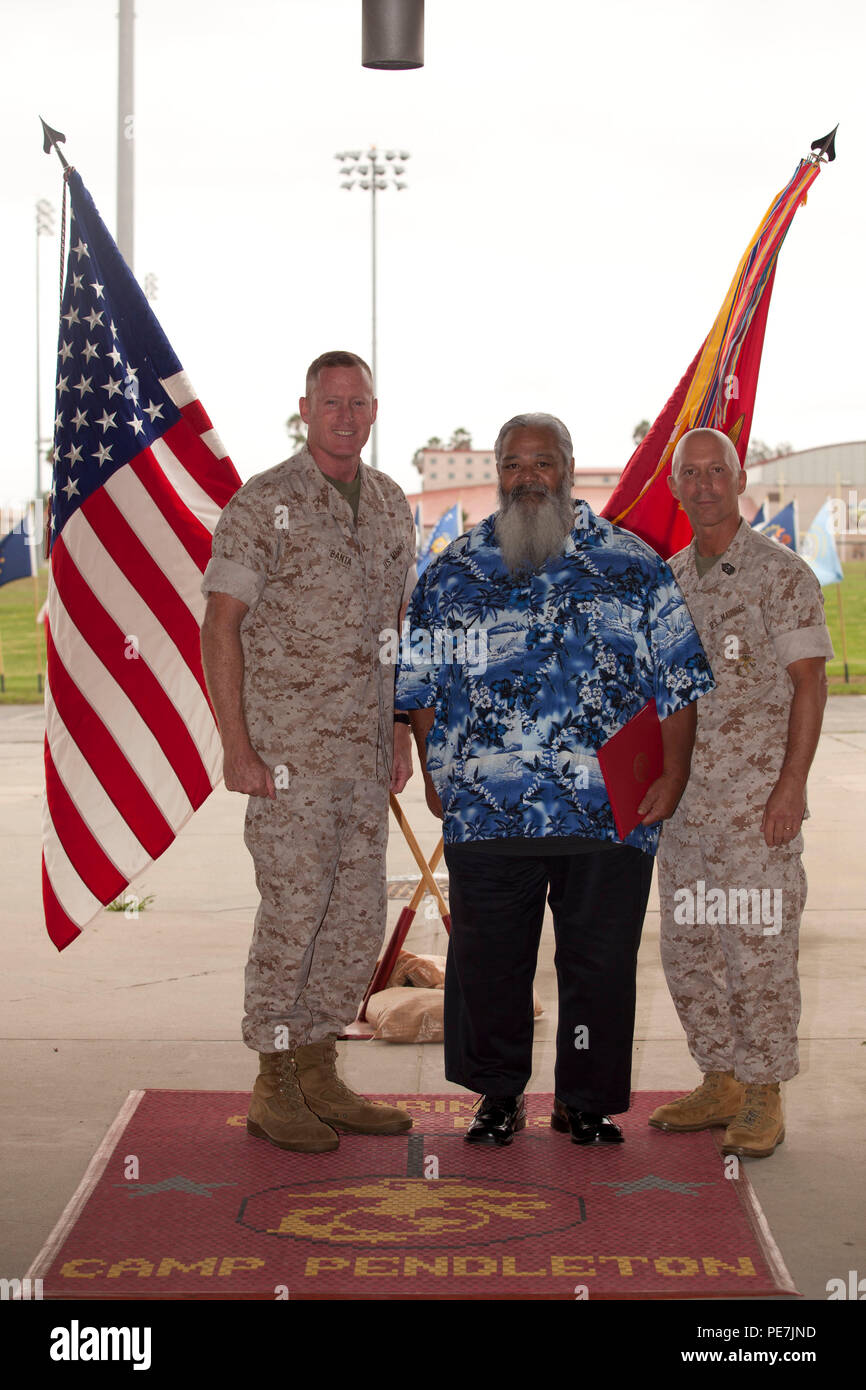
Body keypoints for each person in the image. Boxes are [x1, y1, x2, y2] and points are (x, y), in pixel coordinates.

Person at [396, 413, 715, 1146]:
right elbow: (417, 684)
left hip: (609, 810)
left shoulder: (632, 564)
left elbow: (680, 679)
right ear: (500, 474)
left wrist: (673, 773)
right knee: (489, 961)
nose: (527, 476)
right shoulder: (453, 570)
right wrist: (437, 772)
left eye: (543, 462)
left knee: (598, 962)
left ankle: (585, 1100)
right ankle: (498, 1096)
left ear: (569, 468)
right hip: (486, 807)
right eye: (513, 464)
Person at [200, 350, 416, 1152]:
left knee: (355, 919)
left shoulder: (392, 504)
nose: (347, 416)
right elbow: (219, 624)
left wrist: (396, 727)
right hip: (287, 757)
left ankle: (322, 1067)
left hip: (361, 758)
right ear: (305, 408)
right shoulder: (264, 503)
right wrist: (237, 745)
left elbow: (398, 625)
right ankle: (275, 1080)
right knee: (293, 915)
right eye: (333, 403)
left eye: (360, 402)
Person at [650, 427, 832, 1158]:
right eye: (688, 474)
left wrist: (791, 786)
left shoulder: (781, 574)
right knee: (689, 948)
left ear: (739, 476)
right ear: (675, 486)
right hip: (685, 813)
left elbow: (810, 682)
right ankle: (719, 1077)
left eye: (714, 471)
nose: (702, 485)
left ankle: (763, 1093)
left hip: (756, 807)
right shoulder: (668, 579)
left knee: (757, 950)